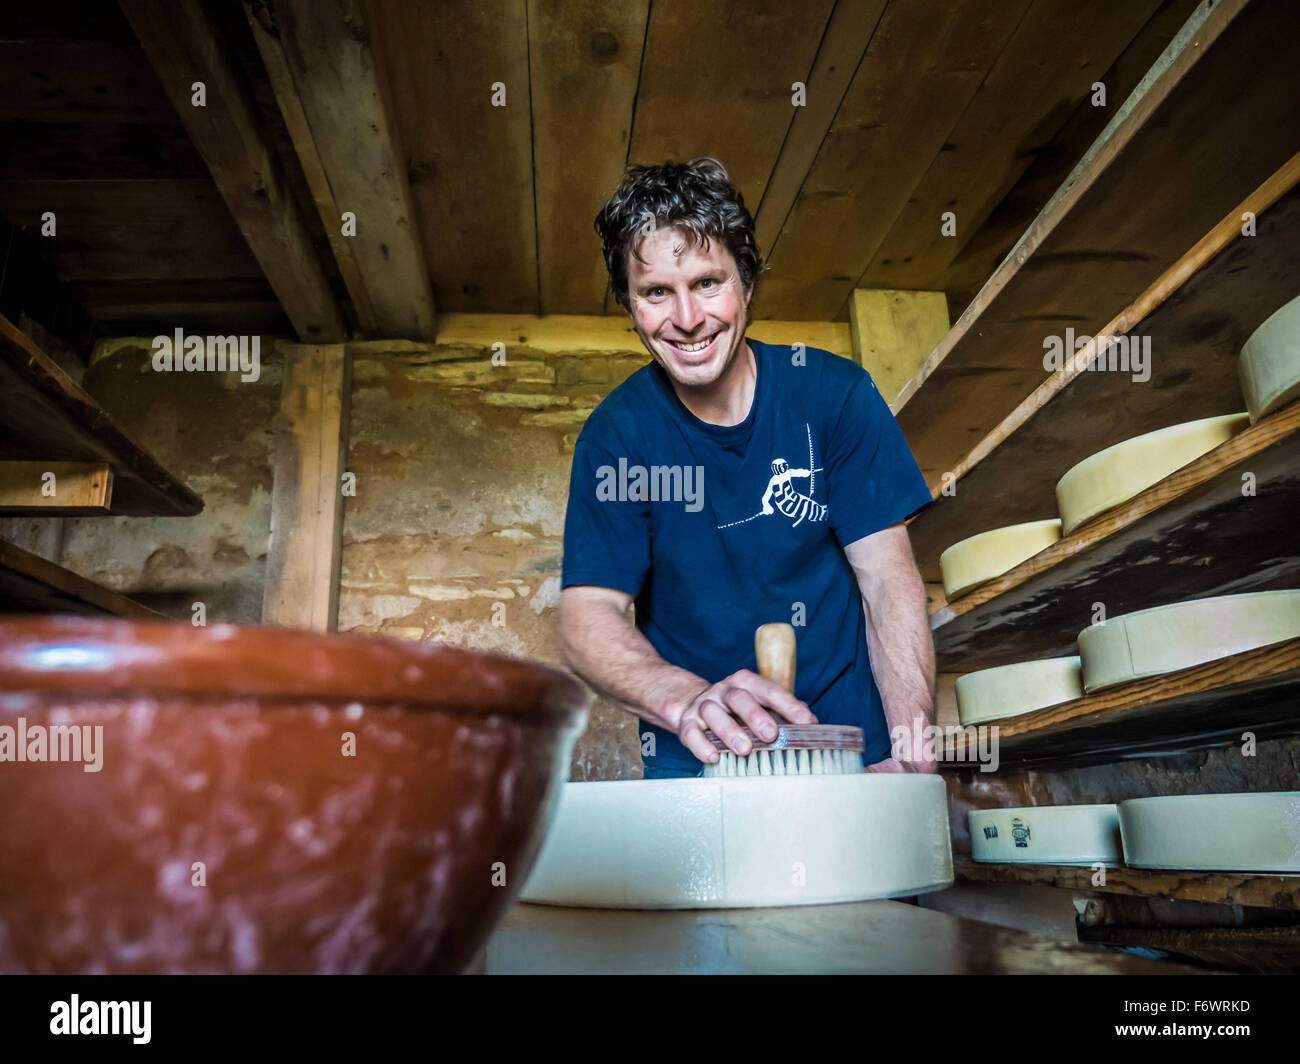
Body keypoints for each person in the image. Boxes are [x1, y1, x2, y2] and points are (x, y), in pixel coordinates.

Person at [557, 157, 936, 778]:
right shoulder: (616, 438)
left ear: (748, 284)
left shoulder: (834, 394)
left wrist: (913, 758)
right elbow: (585, 617)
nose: (687, 319)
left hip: (854, 758)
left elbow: (887, 581)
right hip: (701, 768)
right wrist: (687, 701)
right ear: (630, 306)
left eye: (708, 282)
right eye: (657, 292)